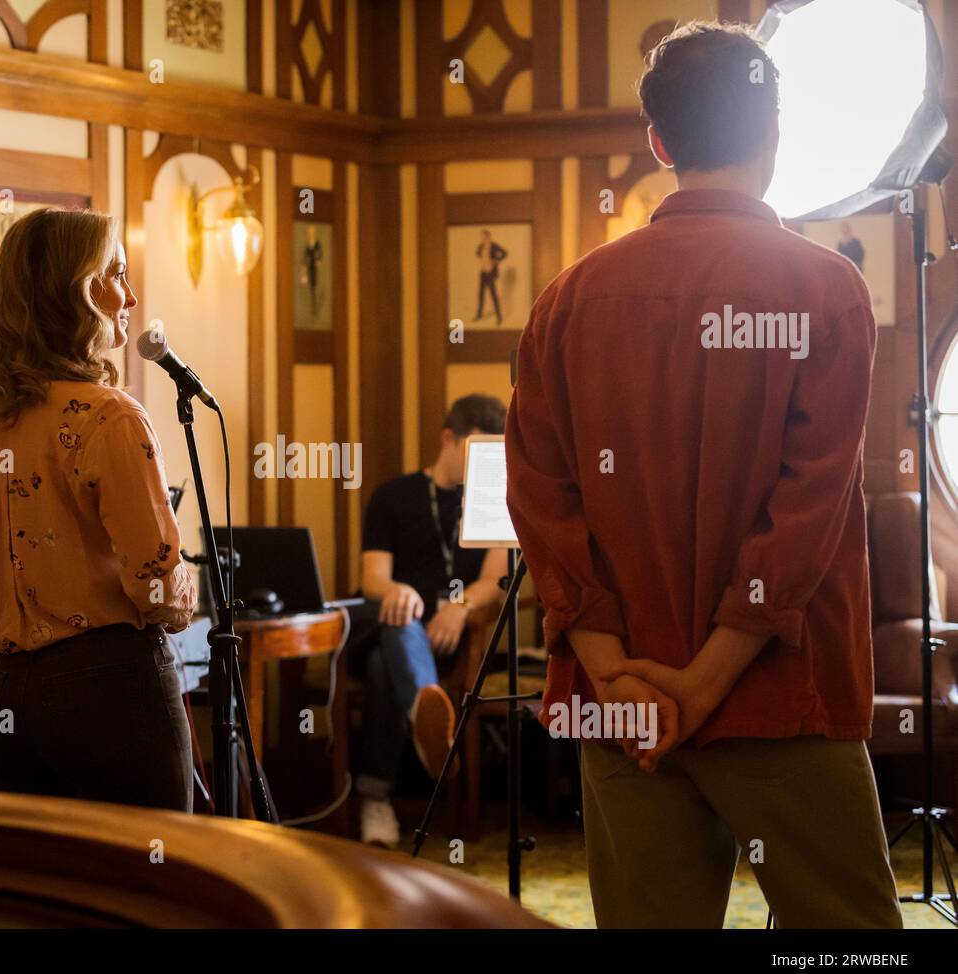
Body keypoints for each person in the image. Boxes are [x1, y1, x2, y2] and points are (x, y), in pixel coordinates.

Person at [505, 21, 902, 928]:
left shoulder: (564, 301)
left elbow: (540, 501)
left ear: (658, 142)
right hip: (781, 695)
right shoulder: (827, 288)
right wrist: (709, 677)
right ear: (774, 132)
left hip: (622, 707)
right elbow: (807, 512)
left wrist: (616, 676)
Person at [0, 207, 197, 811]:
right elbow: (158, 592)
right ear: (76, 290)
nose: (130, 295)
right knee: (151, 881)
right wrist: (186, 587)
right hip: (114, 694)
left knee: (49, 889)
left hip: (7, 699)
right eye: (116, 273)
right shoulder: (111, 418)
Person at [354, 394, 509, 846]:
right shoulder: (393, 496)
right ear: (449, 439)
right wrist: (398, 591)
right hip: (389, 622)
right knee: (399, 618)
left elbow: (495, 579)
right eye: (476, 451)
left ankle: (375, 800)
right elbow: (372, 579)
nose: (484, 465)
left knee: (385, 669)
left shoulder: (488, 502)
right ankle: (424, 707)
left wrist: (460, 609)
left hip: (448, 642)